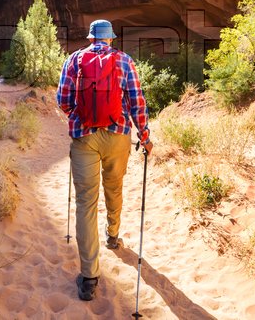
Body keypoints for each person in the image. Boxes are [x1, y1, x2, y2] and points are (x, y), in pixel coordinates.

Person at [56, 19, 153, 301]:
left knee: (86, 202)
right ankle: (113, 234)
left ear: (90, 38)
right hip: (118, 136)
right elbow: (137, 102)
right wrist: (144, 136)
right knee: (114, 187)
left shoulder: (73, 60)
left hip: (84, 139)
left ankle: (89, 277)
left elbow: (62, 100)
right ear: (110, 38)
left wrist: (79, 116)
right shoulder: (124, 61)